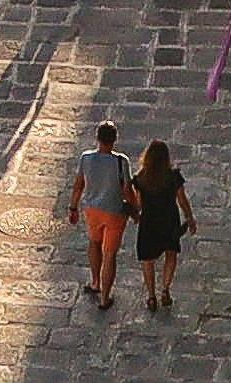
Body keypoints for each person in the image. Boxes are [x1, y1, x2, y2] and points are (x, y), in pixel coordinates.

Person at [69, 115, 130, 307]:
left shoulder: (86, 158)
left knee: (94, 243)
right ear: (115, 139)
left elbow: (78, 185)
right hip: (114, 212)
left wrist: (73, 207)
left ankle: (95, 282)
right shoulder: (121, 161)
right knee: (109, 254)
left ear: (97, 138)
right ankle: (105, 298)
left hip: (92, 210)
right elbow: (127, 190)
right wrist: (136, 208)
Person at [131, 135, 195, 313]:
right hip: (169, 221)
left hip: (149, 223)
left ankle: (151, 296)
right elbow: (182, 199)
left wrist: (131, 210)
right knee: (171, 254)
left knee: (147, 260)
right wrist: (189, 217)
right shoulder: (173, 177)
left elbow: (139, 204)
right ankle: (165, 288)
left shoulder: (140, 179)